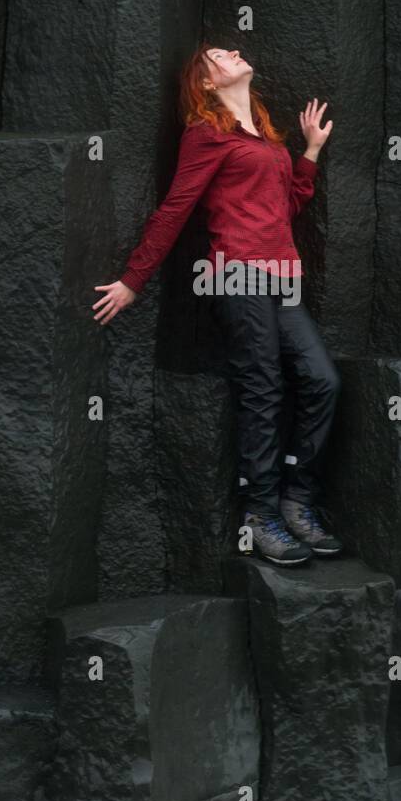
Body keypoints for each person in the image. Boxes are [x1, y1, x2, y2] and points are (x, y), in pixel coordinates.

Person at [92, 43, 344, 567]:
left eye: (231, 48)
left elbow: (287, 205)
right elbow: (176, 208)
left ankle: (297, 501)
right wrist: (133, 280)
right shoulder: (206, 135)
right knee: (263, 386)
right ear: (206, 83)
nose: (232, 50)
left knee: (322, 380)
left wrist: (310, 151)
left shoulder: (265, 137)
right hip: (235, 273)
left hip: (283, 278)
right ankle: (259, 514)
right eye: (218, 55)